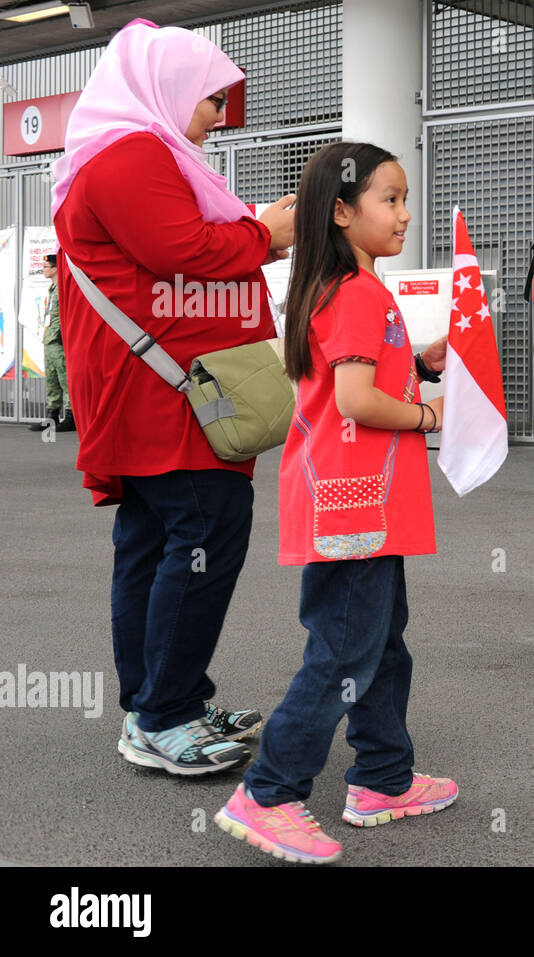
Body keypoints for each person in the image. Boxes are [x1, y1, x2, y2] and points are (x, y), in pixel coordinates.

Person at [52, 19, 297, 774]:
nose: (219, 115)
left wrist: (258, 230)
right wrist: (266, 233)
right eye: (212, 99)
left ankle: (160, 701)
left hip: (152, 390)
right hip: (169, 398)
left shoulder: (126, 152)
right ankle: (164, 714)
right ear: (169, 89)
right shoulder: (133, 155)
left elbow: (173, 246)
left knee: (154, 544)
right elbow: (183, 249)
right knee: (202, 531)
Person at [215, 142, 455, 864]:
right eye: (390, 199)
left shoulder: (343, 286)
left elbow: (346, 375)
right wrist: (428, 416)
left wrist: (418, 361)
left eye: (405, 197)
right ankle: (267, 791)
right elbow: (353, 397)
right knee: (344, 648)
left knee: (379, 640)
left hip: (363, 504)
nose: (405, 212)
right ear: (343, 211)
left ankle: (383, 776)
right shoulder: (353, 290)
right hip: (355, 505)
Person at [29, 253, 74, 433]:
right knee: (52, 380)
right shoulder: (52, 288)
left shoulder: (63, 288)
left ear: (55, 268)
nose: (43, 270)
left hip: (59, 339)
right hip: (50, 338)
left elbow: (68, 312)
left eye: (46, 267)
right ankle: (52, 415)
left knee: (65, 378)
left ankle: (71, 416)